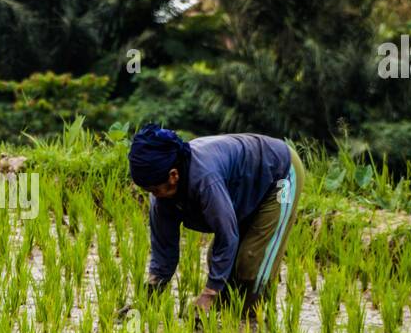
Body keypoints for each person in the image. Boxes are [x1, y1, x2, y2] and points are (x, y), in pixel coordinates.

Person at [127, 124, 304, 320]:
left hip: (280, 175)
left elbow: (226, 236)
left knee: (252, 263)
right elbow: (164, 250)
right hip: (244, 187)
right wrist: (146, 299)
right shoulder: (161, 197)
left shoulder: (205, 180)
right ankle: (229, 321)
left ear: (174, 175)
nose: (153, 196)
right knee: (217, 259)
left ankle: (257, 327)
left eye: (154, 189)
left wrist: (208, 294)